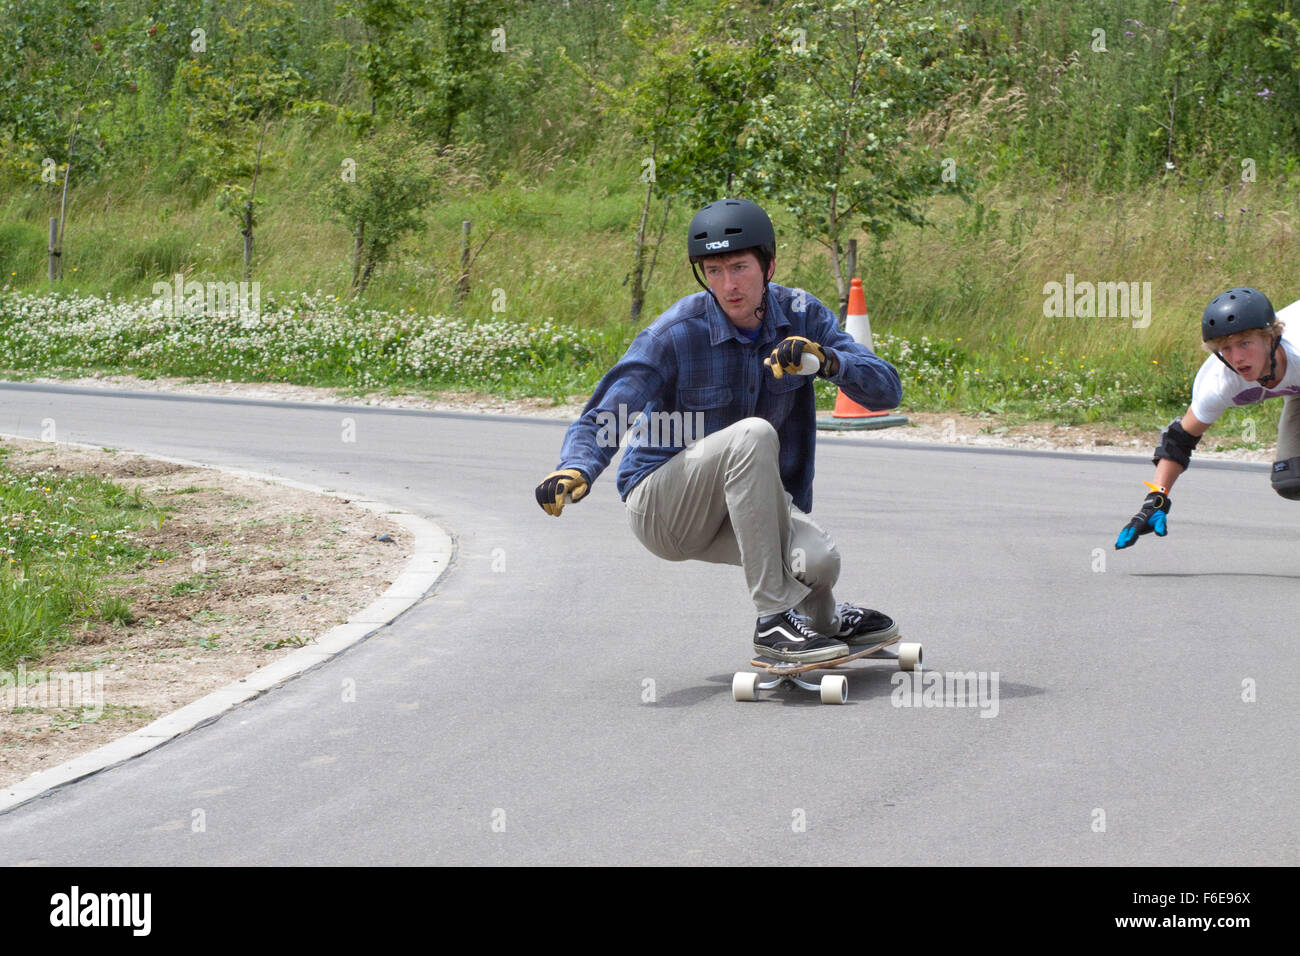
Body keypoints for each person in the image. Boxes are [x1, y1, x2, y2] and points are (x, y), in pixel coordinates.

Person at [535, 198, 903, 663]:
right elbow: (611, 408)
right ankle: (774, 622)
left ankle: (824, 624)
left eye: (739, 267)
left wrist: (827, 360)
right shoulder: (675, 332)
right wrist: (576, 466)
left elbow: (887, 392)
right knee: (753, 433)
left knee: (818, 561)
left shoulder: (802, 316)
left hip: (741, 507)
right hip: (664, 507)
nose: (727, 285)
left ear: (768, 265)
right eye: (713, 270)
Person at [1115, 287, 1300, 549]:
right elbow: (1179, 440)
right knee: (1292, 479)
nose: (1236, 358)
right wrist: (1156, 498)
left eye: (1245, 343)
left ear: (1271, 338)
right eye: (1226, 347)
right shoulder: (1220, 381)